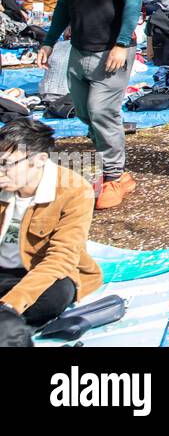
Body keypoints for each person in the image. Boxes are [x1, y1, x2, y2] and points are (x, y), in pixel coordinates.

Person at [35, 0, 141, 210]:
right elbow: (63, 8)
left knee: (101, 110)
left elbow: (133, 2)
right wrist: (49, 42)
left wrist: (121, 44)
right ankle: (108, 156)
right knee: (83, 110)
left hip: (113, 51)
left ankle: (115, 175)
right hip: (80, 50)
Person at [0, 118, 102, 331]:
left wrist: (11, 304)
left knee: (56, 294)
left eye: (5, 164)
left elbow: (60, 258)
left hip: (39, 271)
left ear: (39, 159)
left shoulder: (74, 190)